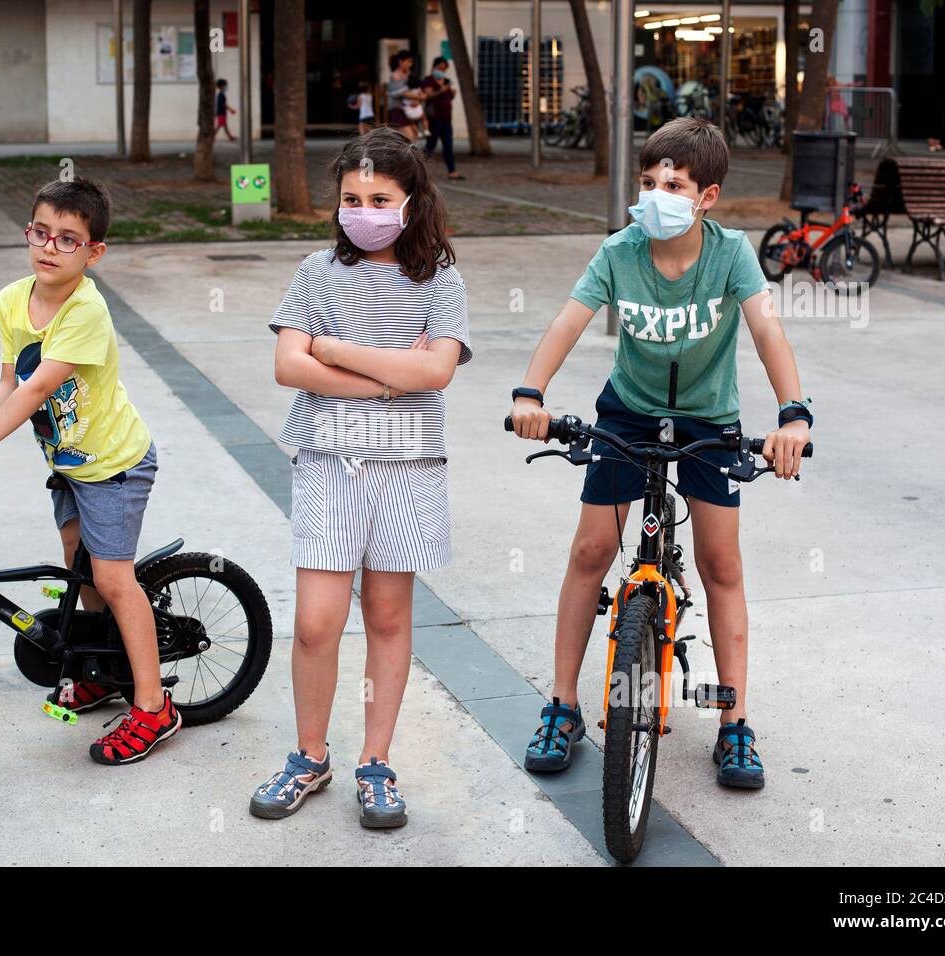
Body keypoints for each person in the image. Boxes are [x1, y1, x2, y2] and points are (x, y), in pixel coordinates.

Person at [508, 118, 812, 790]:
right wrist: (531, 394)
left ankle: (734, 724)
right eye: (648, 182)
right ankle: (562, 705)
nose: (655, 195)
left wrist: (792, 414)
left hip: (710, 417)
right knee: (590, 551)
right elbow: (568, 319)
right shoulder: (621, 251)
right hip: (630, 412)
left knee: (720, 563)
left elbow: (767, 327)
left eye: (671, 184)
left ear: (707, 196)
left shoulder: (729, 254)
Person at [252, 128, 472, 829]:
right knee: (317, 624)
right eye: (352, 197)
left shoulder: (440, 280)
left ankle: (375, 762)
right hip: (328, 465)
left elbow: (435, 371)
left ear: (412, 202)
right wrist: (386, 376)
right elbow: (290, 366)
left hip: (409, 471)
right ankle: (308, 755)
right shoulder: (317, 272)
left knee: (386, 617)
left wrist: (337, 351)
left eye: (380, 198)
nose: (364, 209)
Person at [0, 178, 181, 766]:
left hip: (114, 465)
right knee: (79, 568)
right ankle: (103, 664)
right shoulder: (13, 299)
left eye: (68, 240)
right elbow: (11, 381)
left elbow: (43, 383)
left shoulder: (86, 310)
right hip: (68, 464)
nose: (49, 246)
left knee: (115, 580)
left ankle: (151, 705)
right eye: (40, 232)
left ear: (94, 253)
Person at [421, 57, 463, 180]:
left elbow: (449, 97)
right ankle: (418, 169)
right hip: (434, 117)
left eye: (444, 69)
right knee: (431, 145)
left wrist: (451, 93)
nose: (441, 71)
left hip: (446, 118)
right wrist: (441, 90)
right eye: (439, 68)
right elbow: (428, 96)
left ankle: (452, 171)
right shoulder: (428, 80)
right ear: (434, 67)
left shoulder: (446, 81)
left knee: (448, 145)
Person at [386, 51, 423, 141]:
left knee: (413, 137)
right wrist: (419, 97)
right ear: (400, 62)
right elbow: (402, 93)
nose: (410, 64)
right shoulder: (395, 75)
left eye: (411, 62)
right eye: (408, 61)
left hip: (408, 110)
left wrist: (418, 99)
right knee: (409, 137)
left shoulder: (409, 74)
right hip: (397, 109)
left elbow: (417, 89)